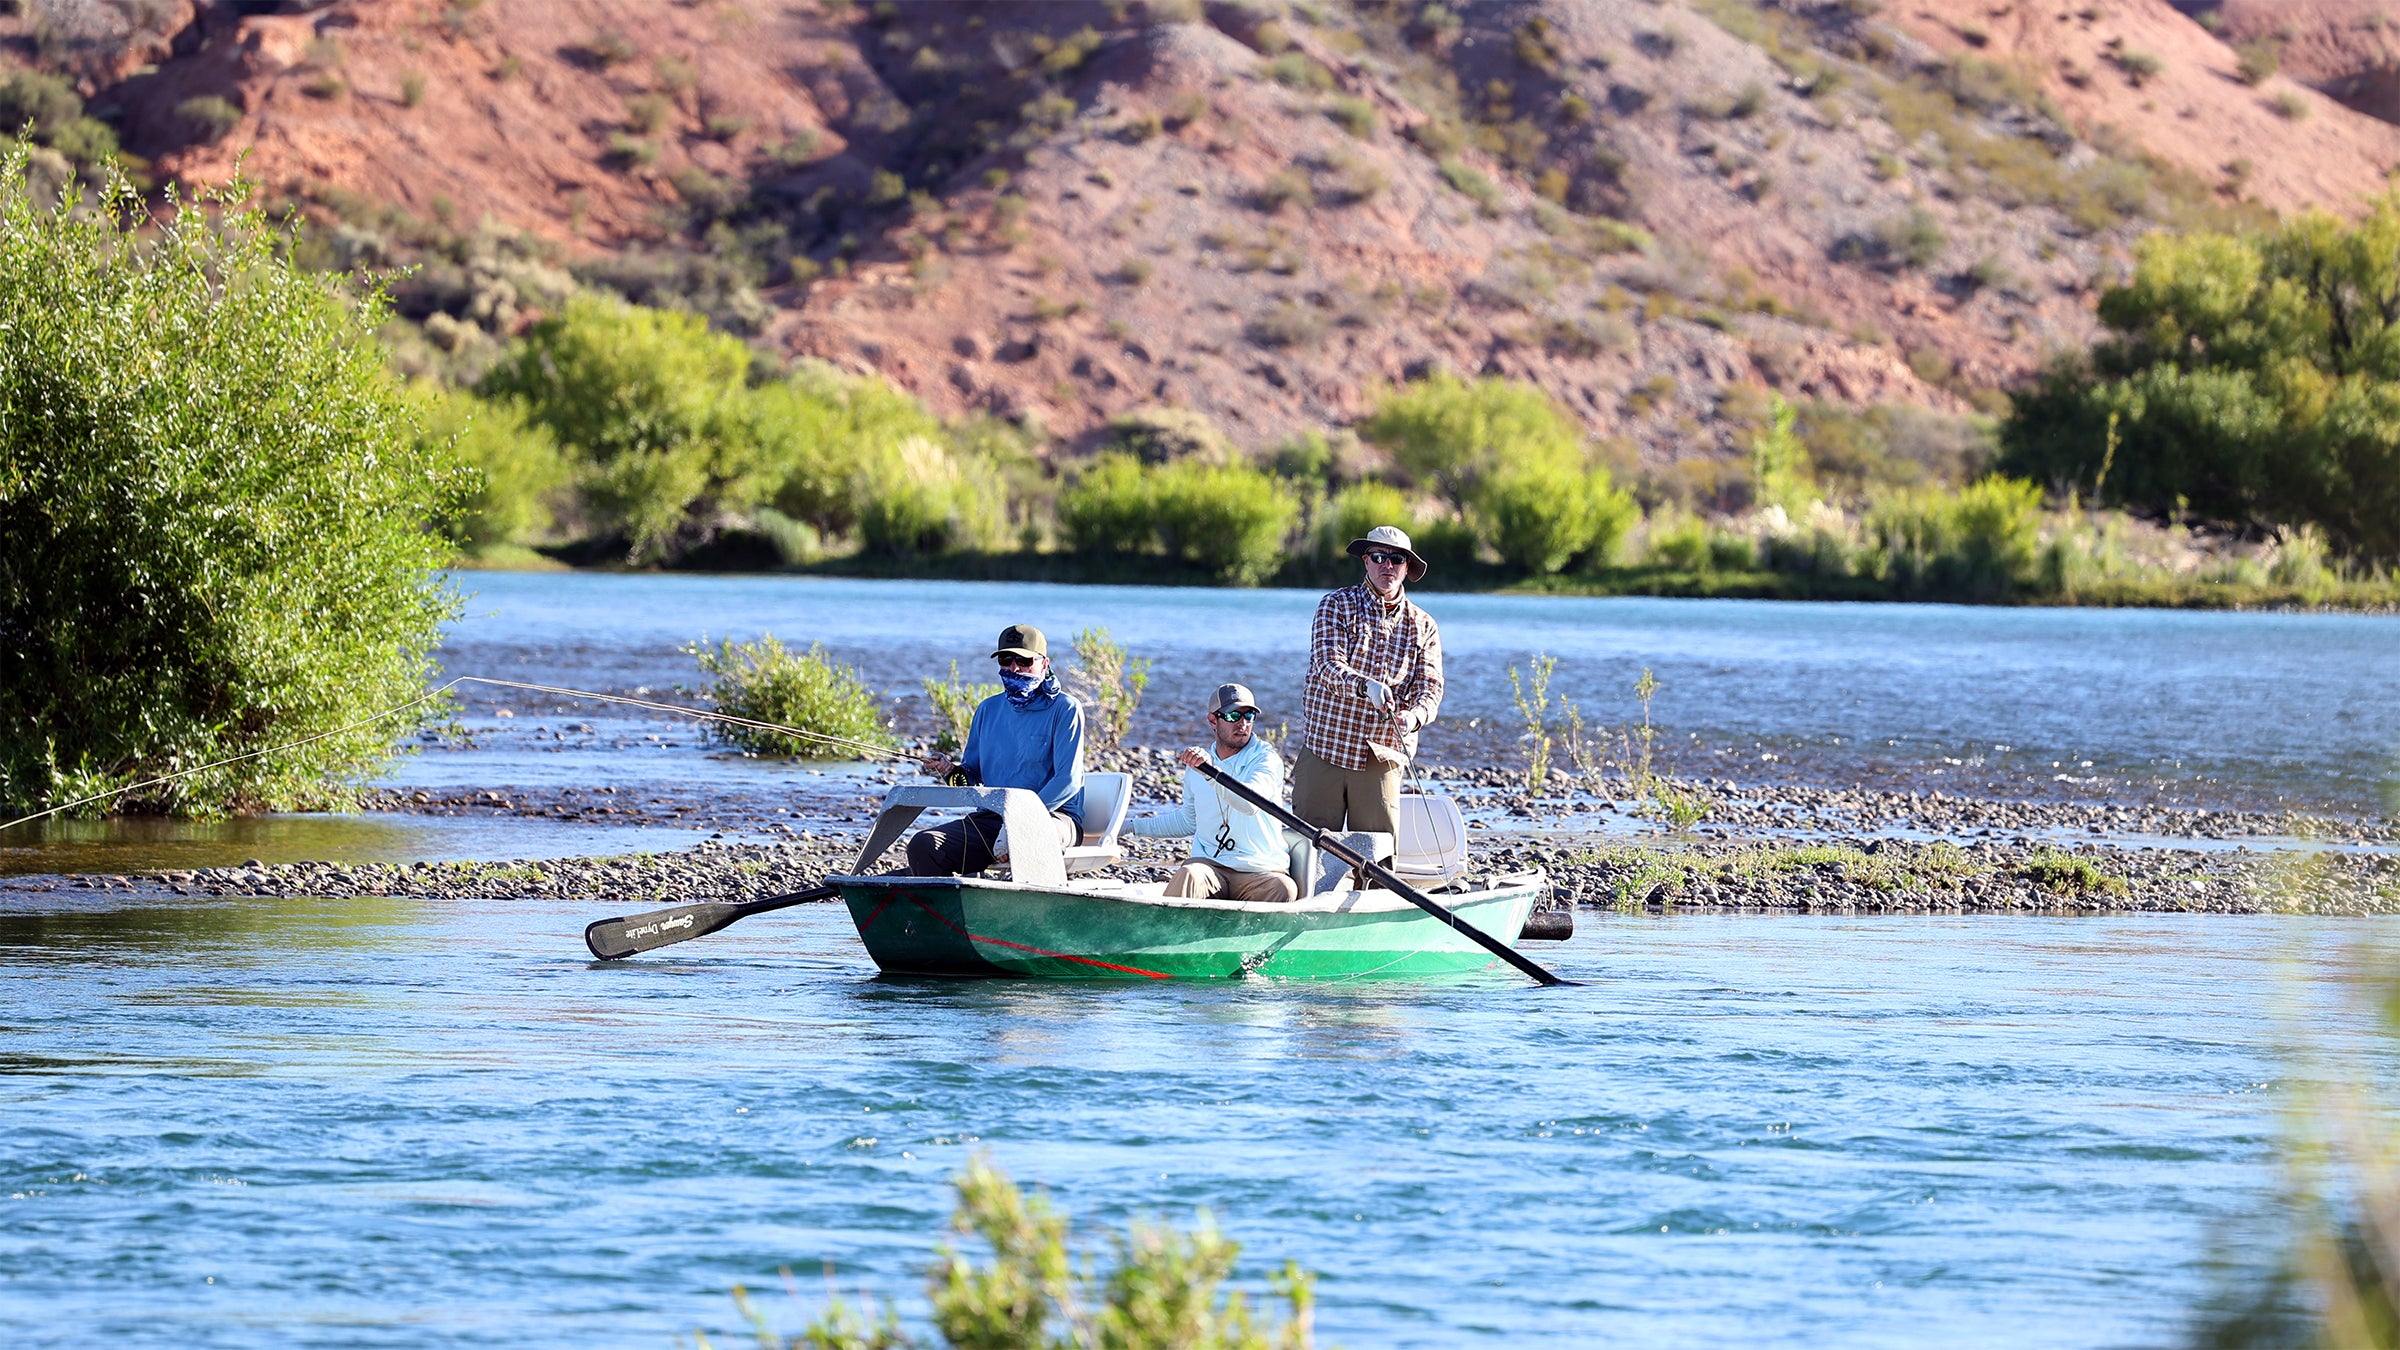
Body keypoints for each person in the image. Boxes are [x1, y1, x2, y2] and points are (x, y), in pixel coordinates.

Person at [1296, 524, 1444, 835]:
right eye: (1379, 557)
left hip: (1384, 751)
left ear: (1406, 568)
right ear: (1366, 561)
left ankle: (1373, 887)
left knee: (1378, 855)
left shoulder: (1424, 625)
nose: (1387, 566)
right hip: (1327, 745)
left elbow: (1430, 690)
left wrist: (1413, 718)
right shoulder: (1335, 604)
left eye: (1397, 559)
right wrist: (1367, 687)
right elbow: (1327, 666)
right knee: (1309, 850)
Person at [908, 623, 1086, 877]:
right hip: (994, 820)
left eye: (1024, 661)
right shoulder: (987, 710)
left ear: (1044, 664)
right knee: (924, 846)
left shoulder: (1066, 708)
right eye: (1006, 659)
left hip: (1054, 818)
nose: (1014, 668)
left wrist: (1022, 821)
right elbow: (969, 779)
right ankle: (945, 912)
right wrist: (949, 771)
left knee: (1024, 840)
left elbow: (1068, 781)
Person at [1127, 683, 1299, 904]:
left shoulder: (1266, 759)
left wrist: (1211, 773)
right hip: (1211, 867)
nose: (1243, 723)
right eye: (1233, 715)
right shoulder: (1199, 765)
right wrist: (1131, 827)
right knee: (1189, 873)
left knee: (1283, 888)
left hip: (1261, 869)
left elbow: (1250, 804)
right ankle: (1161, 934)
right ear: (1212, 721)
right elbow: (1188, 822)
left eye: (1249, 715)